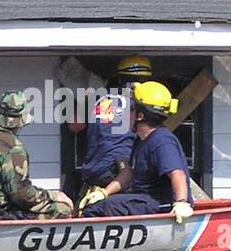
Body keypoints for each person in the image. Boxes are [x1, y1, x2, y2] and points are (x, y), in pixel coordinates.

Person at [78, 81, 194, 223]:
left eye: (131, 109)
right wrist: (104, 193)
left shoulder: (162, 141)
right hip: (144, 199)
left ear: (140, 116)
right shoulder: (141, 140)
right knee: (100, 203)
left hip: (162, 203)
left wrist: (181, 202)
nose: (127, 114)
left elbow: (178, 174)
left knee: (100, 209)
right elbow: (129, 174)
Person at [0, 91, 73, 220]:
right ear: (22, 120)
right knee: (63, 210)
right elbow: (22, 196)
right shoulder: (13, 147)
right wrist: (54, 196)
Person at [68, 55, 153, 200]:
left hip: (93, 172)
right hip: (119, 173)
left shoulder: (100, 96)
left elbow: (74, 126)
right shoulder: (141, 104)